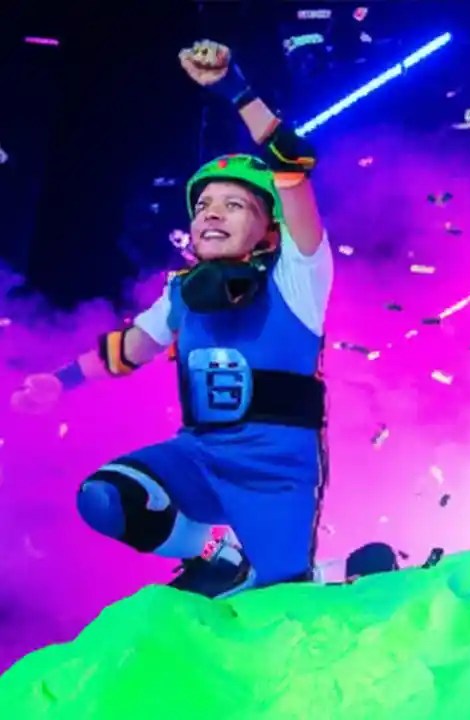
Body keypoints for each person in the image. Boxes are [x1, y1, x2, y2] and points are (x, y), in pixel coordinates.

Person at [10, 40, 333, 599]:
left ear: (270, 228)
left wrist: (235, 88)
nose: (211, 213)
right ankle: (216, 554)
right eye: (203, 205)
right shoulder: (180, 293)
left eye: (234, 205)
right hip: (199, 457)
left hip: (278, 473)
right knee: (106, 498)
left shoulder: (299, 274)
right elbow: (128, 350)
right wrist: (57, 383)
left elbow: (292, 160)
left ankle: (320, 577)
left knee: (279, 603)